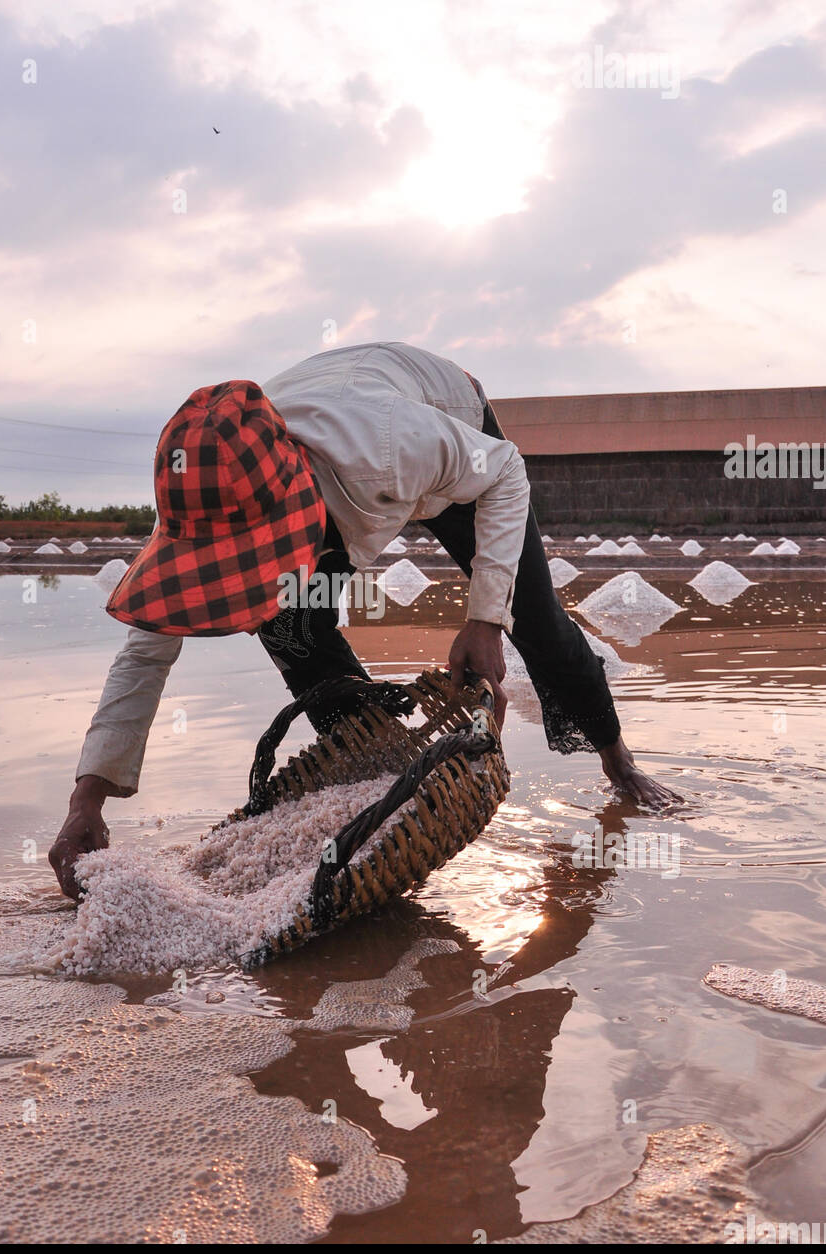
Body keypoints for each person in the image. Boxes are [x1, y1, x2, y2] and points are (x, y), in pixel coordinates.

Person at [49, 341, 674, 898]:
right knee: (291, 625)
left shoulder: (389, 446)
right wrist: (87, 800)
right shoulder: (204, 497)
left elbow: (506, 470)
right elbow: (143, 655)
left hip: (454, 429)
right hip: (340, 436)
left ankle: (618, 760)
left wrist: (485, 619)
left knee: (533, 621)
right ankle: (379, 786)